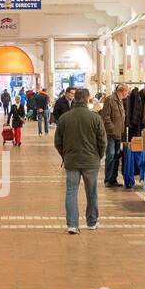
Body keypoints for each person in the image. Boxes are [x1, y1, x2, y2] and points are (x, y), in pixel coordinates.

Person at [53, 87, 106, 234]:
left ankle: (72, 224)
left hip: (72, 161)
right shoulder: (95, 118)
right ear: (87, 98)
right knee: (92, 193)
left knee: (71, 192)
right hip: (91, 161)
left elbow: (57, 142)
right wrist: (98, 156)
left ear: (74, 98)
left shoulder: (65, 118)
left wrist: (65, 155)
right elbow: (103, 141)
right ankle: (92, 222)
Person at [101, 84, 128, 187]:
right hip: (111, 134)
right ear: (123, 91)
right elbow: (105, 117)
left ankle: (113, 179)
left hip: (118, 134)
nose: (128, 94)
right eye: (127, 92)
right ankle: (108, 179)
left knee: (116, 156)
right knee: (111, 155)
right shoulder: (110, 100)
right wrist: (112, 130)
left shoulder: (120, 101)